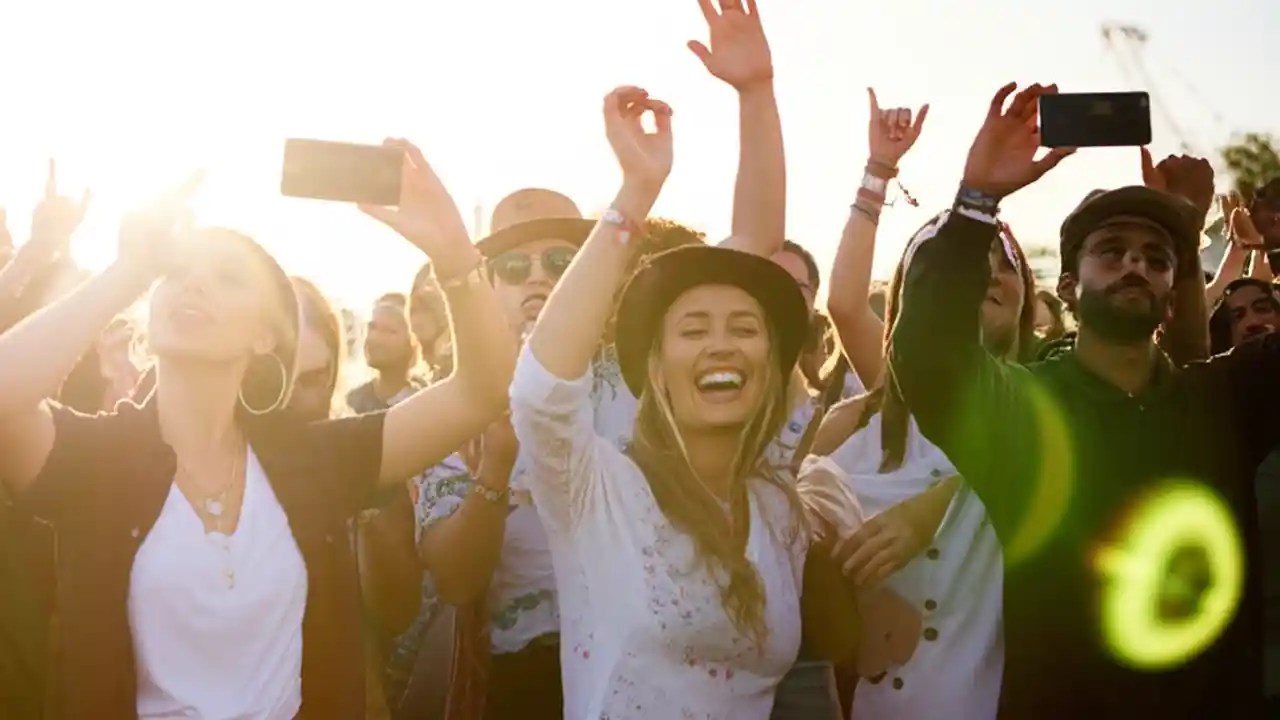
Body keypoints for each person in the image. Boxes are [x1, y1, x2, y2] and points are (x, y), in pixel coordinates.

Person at [0, 138, 516, 719]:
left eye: (227, 278)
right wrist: (129, 270)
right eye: (177, 274)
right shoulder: (95, 460)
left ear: (265, 336)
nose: (194, 286)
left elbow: (480, 392)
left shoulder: (313, 460)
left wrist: (451, 249)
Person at [889, 81, 1272, 718]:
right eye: (1110, 252)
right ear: (1068, 285)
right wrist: (977, 197)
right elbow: (927, 352)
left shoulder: (1223, 399)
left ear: (1175, 294)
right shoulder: (1021, 411)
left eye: (1156, 257)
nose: (1135, 266)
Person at [512, 72, 864, 717]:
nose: (721, 345)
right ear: (658, 365)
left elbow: (757, 246)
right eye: (693, 330)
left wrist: (757, 90)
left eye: (745, 329)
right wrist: (636, 191)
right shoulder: (598, 491)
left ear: (773, 362)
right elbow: (540, 391)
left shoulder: (779, 512)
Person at [348, 293, 425, 414]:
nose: (374, 338)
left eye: (389, 331)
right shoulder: (352, 404)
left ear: (413, 342)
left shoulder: (426, 402)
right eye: (372, 327)